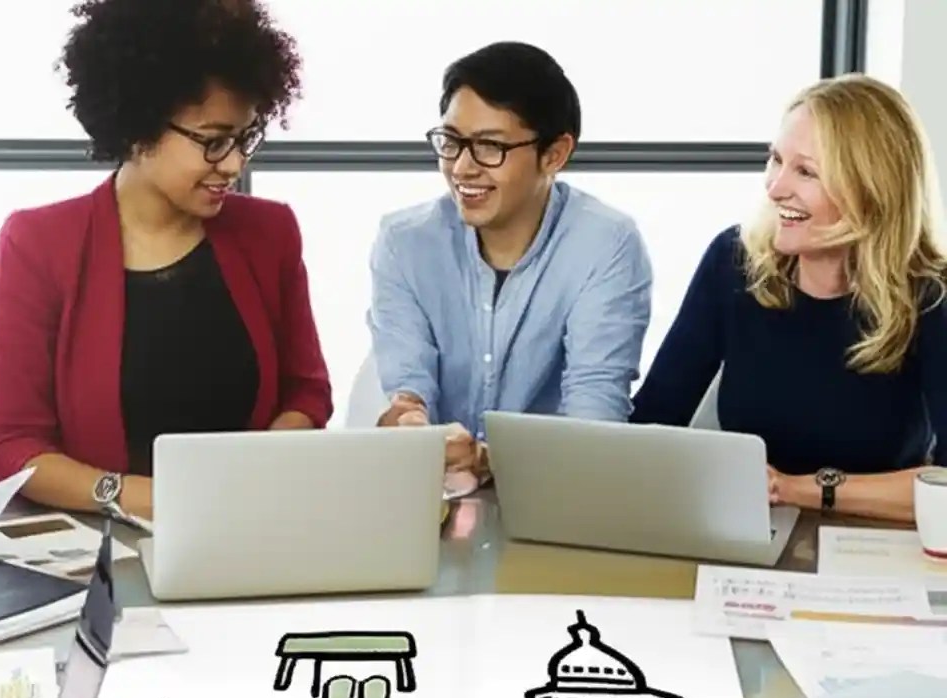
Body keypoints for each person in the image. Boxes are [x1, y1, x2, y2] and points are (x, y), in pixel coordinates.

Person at [0, 0, 332, 520]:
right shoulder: (37, 244)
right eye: (212, 142)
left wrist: (262, 461)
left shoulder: (270, 233)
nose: (233, 163)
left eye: (244, 137)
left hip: (253, 525)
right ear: (139, 130)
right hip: (103, 547)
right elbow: (10, 445)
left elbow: (307, 389)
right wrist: (135, 497)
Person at [630, 74, 947, 524]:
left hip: (877, 547)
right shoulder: (733, 262)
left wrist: (795, 489)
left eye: (806, 171)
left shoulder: (932, 296)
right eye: (776, 160)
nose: (775, 187)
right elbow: (652, 423)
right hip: (746, 533)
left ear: (872, 188)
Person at [367, 41, 652, 480]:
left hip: (559, 497)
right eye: (451, 142)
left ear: (554, 154)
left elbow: (594, 426)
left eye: (489, 147)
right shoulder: (405, 243)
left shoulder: (606, 244)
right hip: (434, 498)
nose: (462, 168)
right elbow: (408, 388)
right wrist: (409, 422)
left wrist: (487, 460)